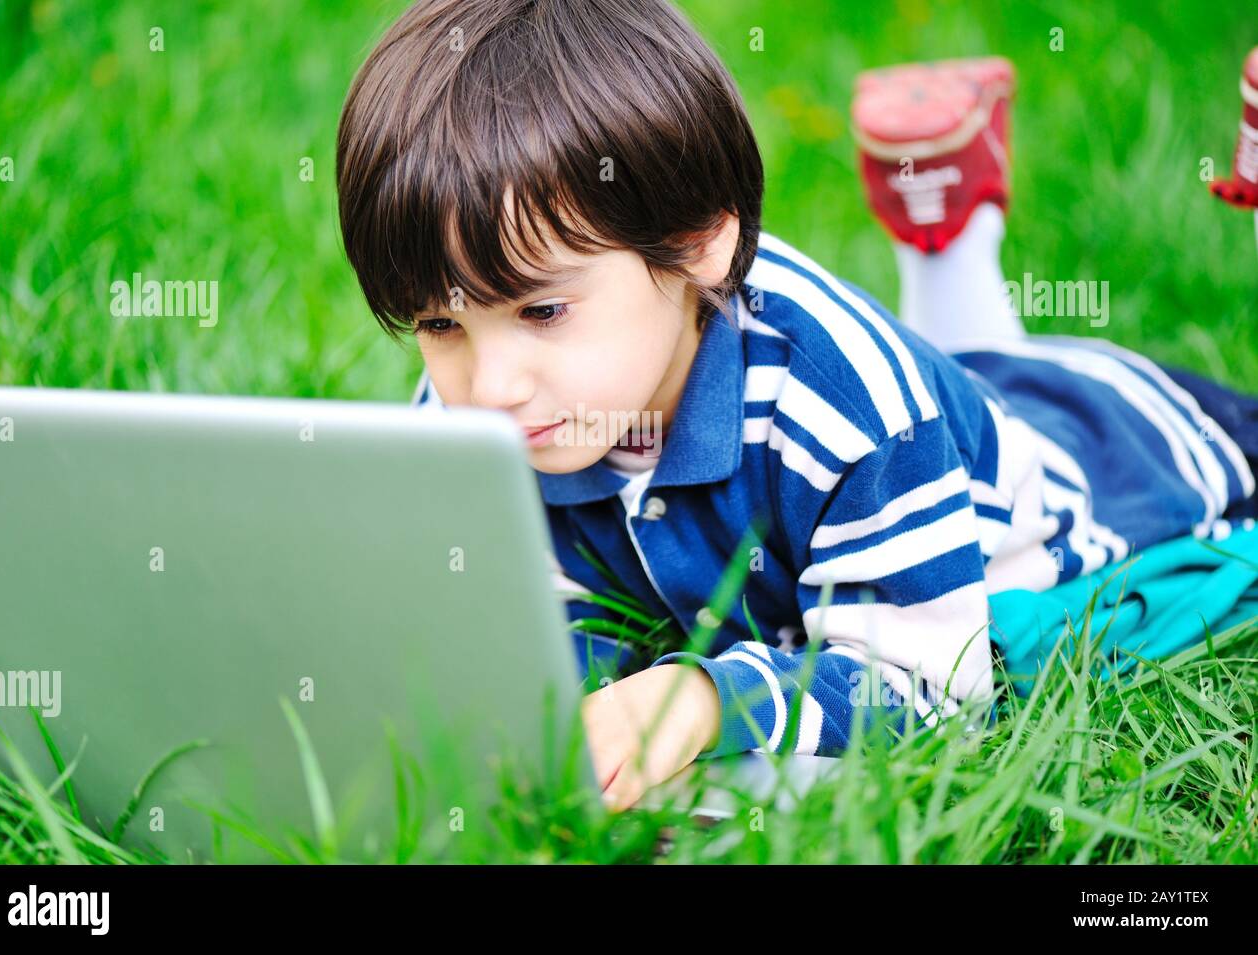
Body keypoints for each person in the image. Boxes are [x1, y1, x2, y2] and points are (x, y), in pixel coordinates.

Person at [335, 0, 1258, 812]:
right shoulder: (499, 410)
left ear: (698, 244)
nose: (489, 387)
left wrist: (704, 698)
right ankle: (947, 231)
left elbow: (934, 695)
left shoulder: (849, 412)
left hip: (1124, 454)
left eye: (542, 310)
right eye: (438, 324)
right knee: (969, 373)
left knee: (1011, 502)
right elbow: (521, 619)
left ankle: (951, 241)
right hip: (944, 410)